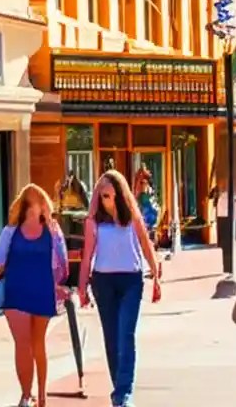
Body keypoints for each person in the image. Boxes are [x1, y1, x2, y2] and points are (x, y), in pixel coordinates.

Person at [78, 170, 162, 407]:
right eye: (102, 195)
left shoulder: (133, 217)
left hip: (131, 281)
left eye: (110, 195)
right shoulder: (94, 221)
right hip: (103, 282)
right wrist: (82, 287)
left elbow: (146, 246)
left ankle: (124, 392)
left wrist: (156, 276)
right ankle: (119, 389)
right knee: (112, 338)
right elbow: (87, 257)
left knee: (126, 335)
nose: (106, 200)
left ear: (120, 195)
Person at [0, 184, 70, 407]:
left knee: (38, 344)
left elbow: (62, 264)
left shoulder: (52, 232)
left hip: (42, 290)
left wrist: (59, 286)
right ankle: (26, 395)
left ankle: (42, 394)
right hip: (16, 292)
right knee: (22, 343)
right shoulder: (10, 231)